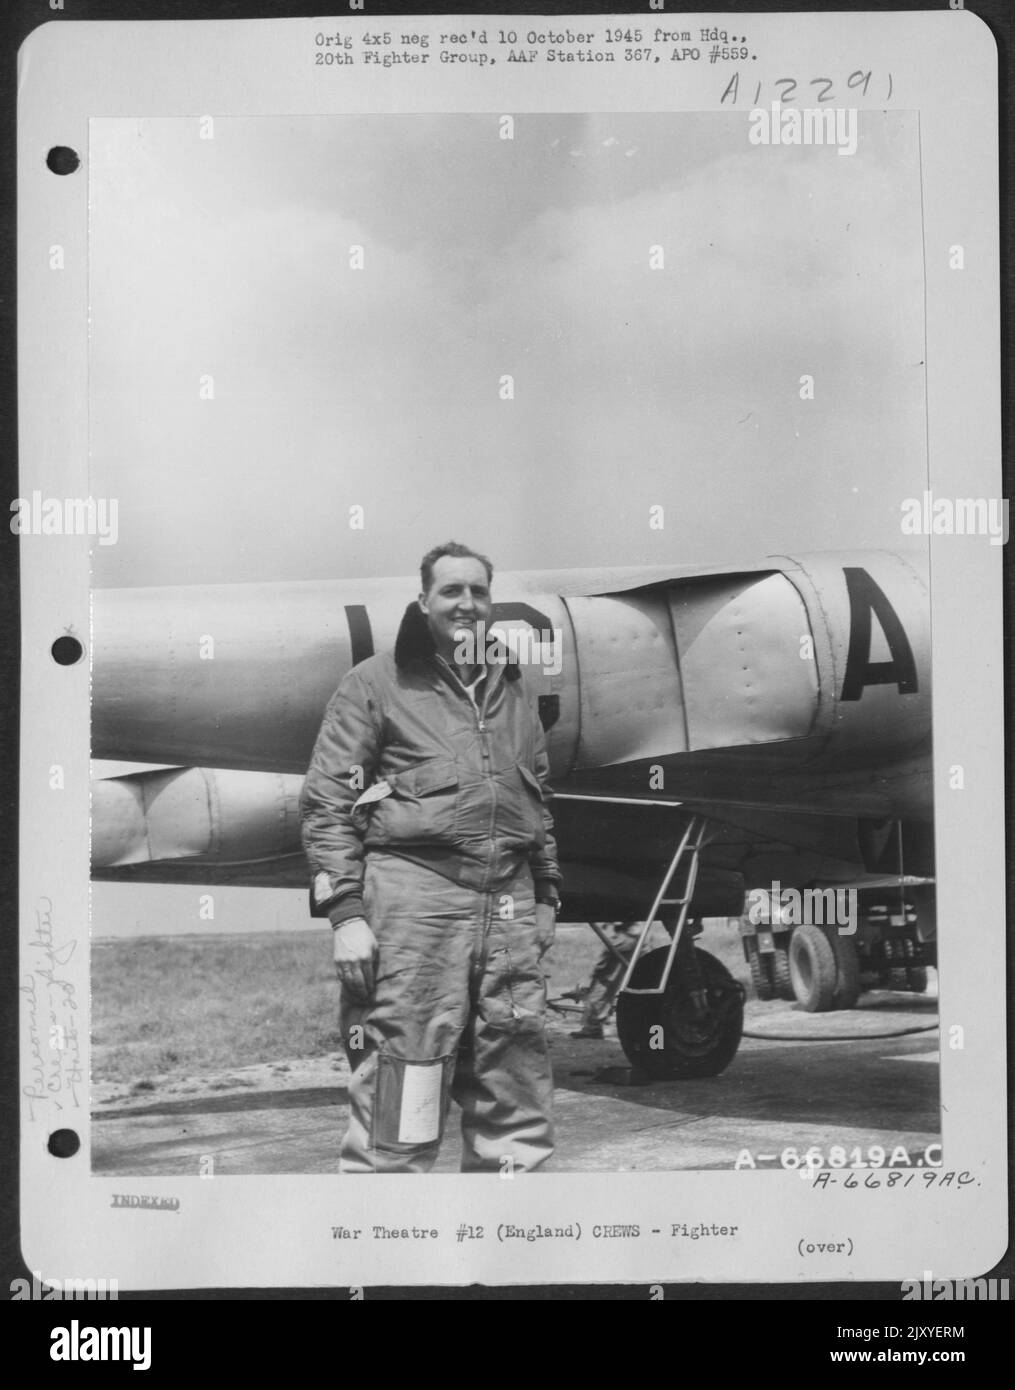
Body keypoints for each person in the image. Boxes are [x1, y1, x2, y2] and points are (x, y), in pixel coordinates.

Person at [300, 541, 562, 1173]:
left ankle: (506, 1224)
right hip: (416, 901)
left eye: (478, 591)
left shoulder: (512, 690)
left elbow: (540, 802)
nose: (466, 603)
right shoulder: (374, 684)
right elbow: (328, 803)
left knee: (514, 1073)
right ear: (423, 602)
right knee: (406, 1076)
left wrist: (547, 895)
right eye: (451, 591)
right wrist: (345, 915)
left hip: (508, 903)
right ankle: (389, 1221)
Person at [570, 922, 641, 1039]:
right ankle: (594, 1028)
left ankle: (592, 1029)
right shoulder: (634, 940)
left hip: (606, 975)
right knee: (602, 1000)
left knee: (595, 1000)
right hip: (616, 975)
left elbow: (603, 959)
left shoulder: (620, 941)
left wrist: (593, 974)